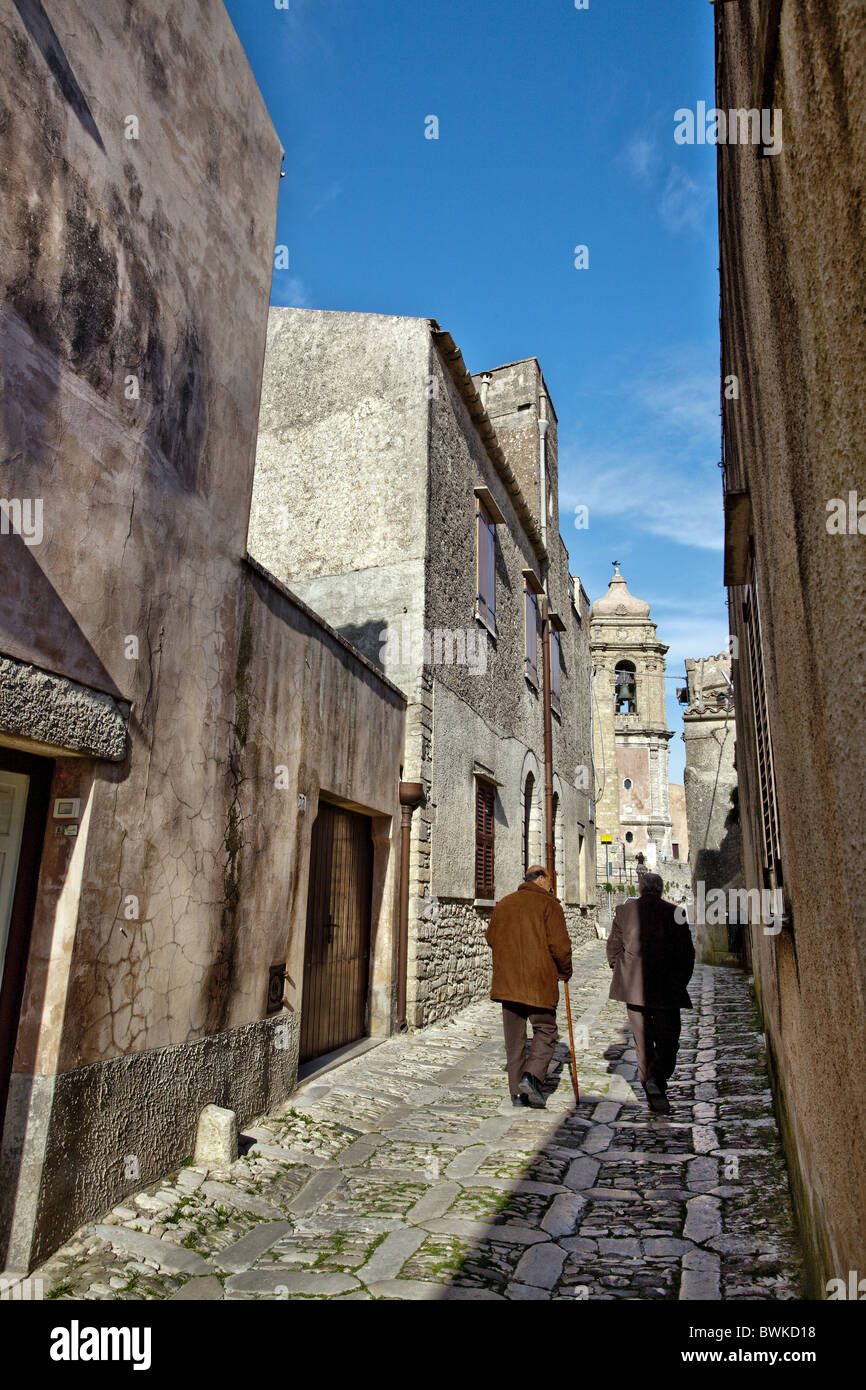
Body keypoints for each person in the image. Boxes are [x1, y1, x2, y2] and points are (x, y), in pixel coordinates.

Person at [606, 871, 694, 1115]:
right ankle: (657, 1084)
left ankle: (653, 1084)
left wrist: (621, 971)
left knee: (642, 1041)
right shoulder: (676, 912)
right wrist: (680, 981)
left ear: (640, 889)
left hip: (634, 989)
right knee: (669, 1040)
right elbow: (687, 954)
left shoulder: (624, 912)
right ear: (661, 889)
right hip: (667, 990)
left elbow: (613, 948)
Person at [485, 865, 573, 1109]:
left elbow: (491, 937)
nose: (552, 886)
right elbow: (561, 946)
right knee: (546, 1031)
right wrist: (565, 971)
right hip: (539, 982)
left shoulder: (504, 903)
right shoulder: (550, 905)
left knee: (514, 1040)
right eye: (550, 880)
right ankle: (531, 1076)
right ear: (541, 878)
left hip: (508, 983)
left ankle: (516, 1094)